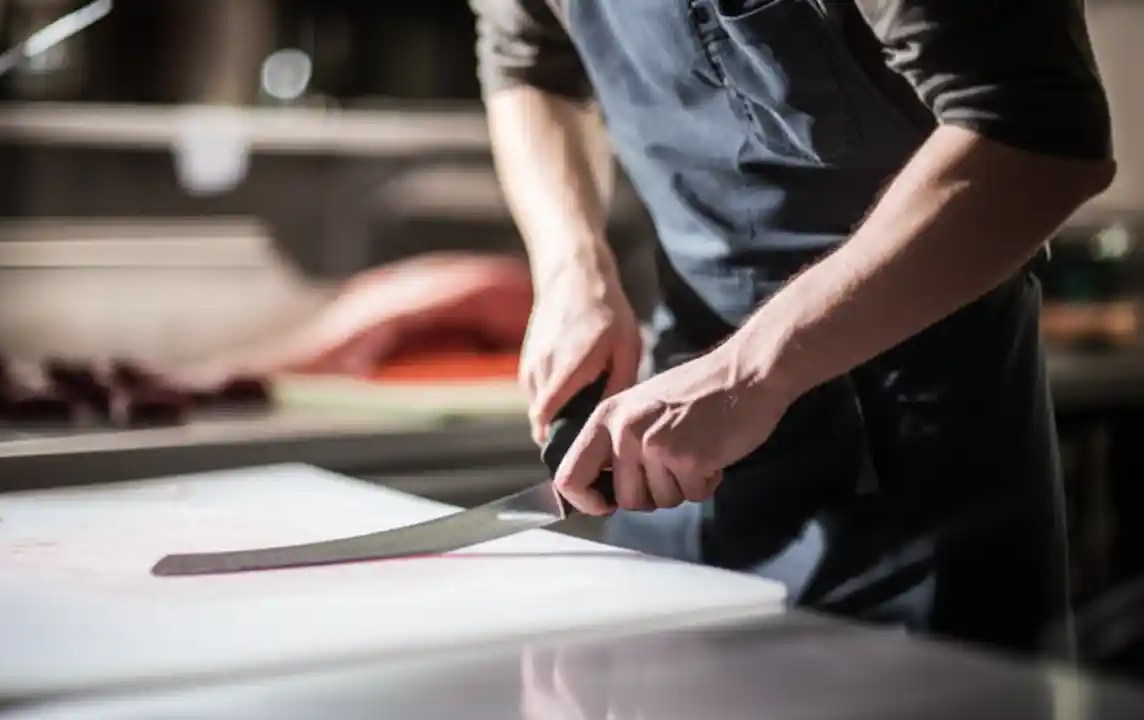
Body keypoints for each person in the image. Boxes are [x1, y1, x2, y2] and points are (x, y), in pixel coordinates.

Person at [468, 0, 1117, 655]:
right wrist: (570, 268)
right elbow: (526, 59)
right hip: (672, 466)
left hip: (923, 490)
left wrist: (748, 371)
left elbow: (1040, 135)